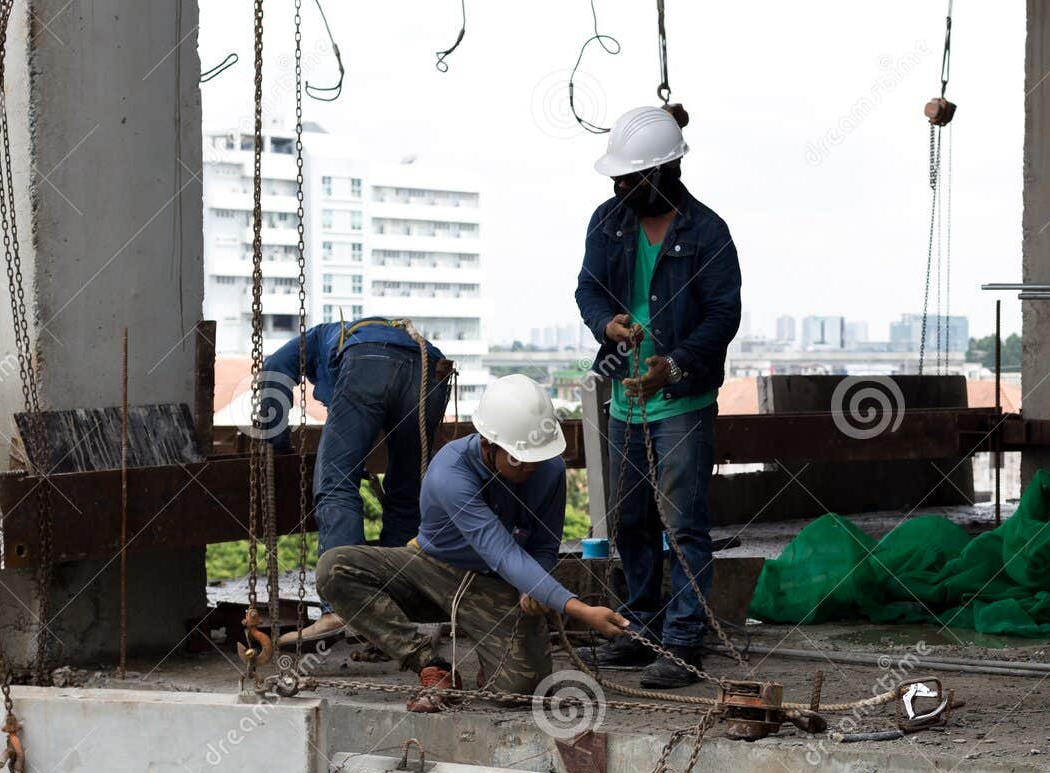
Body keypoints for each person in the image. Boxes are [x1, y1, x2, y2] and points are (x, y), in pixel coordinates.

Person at [316, 374, 628, 712]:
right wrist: (580, 609)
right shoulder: (451, 473)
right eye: (518, 458)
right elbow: (502, 552)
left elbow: (543, 545)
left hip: (496, 585)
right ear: (486, 444)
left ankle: (492, 661)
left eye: (535, 457)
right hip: (429, 571)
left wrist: (531, 587)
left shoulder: (549, 470)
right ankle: (430, 665)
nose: (529, 467)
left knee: (521, 692)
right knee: (336, 568)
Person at [574, 106, 742, 688]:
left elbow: (723, 315)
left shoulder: (707, 232)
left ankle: (683, 643)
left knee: (684, 525)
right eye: (617, 181)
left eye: (631, 180)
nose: (620, 190)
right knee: (632, 521)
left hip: (683, 403)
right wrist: (607, 327)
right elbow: (588, 290)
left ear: (665, 173)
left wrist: (671, 367)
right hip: (625, 401)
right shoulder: (608, 220)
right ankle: (642, 630)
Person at [256, 317, 455, 646]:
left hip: (368, 363)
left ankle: (341, 607)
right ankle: (395, 611)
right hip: (429, 370)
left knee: (337, 486)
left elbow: (274, 367)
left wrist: (277, 443)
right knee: (406, 498)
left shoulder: (320, 336)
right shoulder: (383, 334)